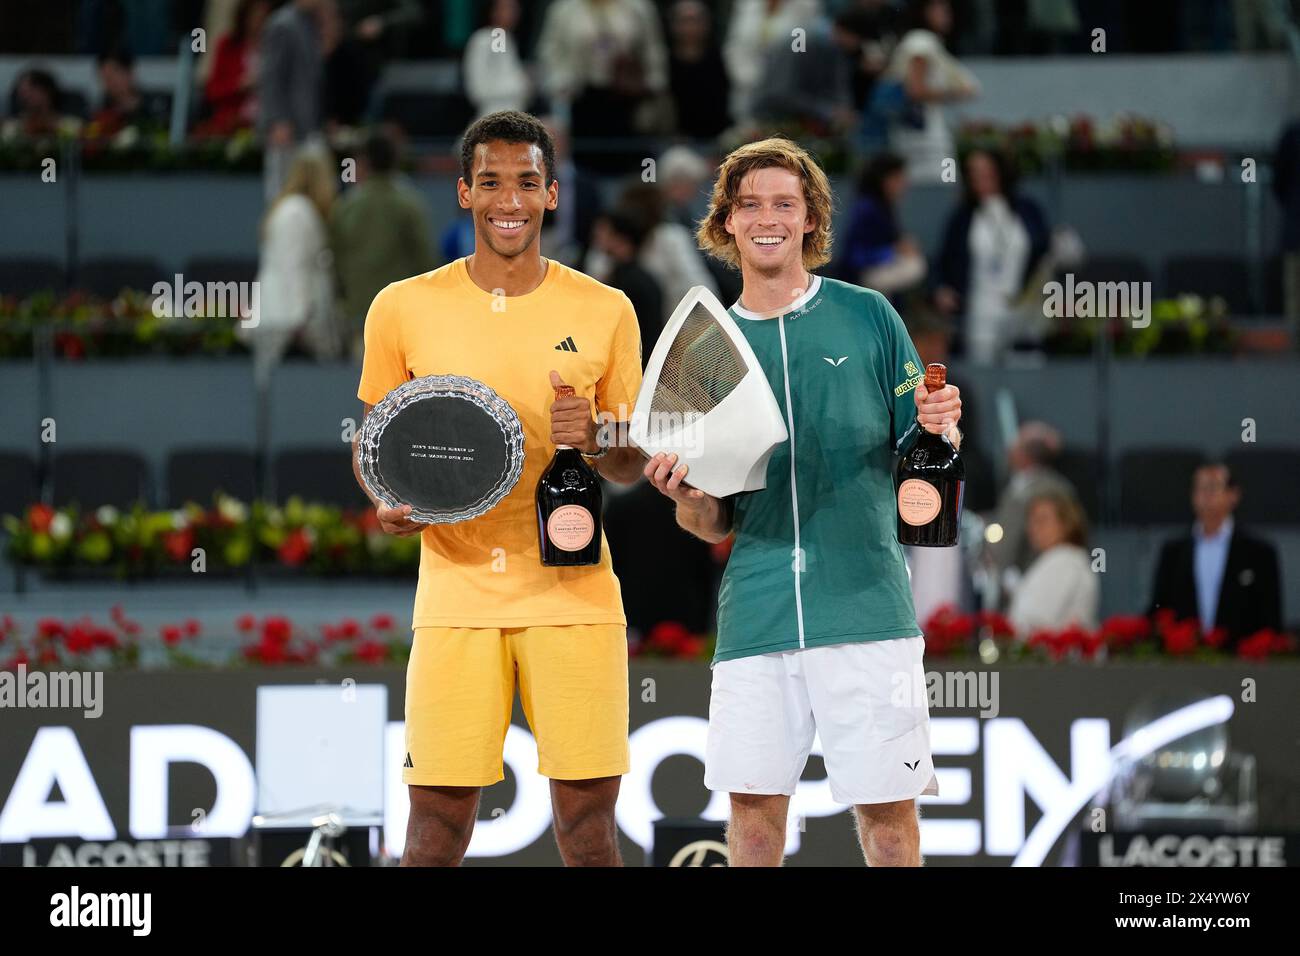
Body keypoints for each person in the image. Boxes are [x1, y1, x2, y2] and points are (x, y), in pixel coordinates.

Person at [645, 136, 964, 867]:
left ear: (810, 220)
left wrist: (944, 418)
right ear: (725, 221)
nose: (767, 218)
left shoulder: (869, 316)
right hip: (756, 613)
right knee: (754, 831)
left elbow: (927, 438)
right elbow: (708, 520)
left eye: (784, 203)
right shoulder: (703, 351)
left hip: (866, 607)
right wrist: (684, 497)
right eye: (749, 204)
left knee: (890, 827)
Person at [351, 110, 646, 866]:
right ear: (463, 193)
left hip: (573, 598)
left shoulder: (606, 310)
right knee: (435, 834)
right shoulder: (401, 306)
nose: (507, 199)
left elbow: (632, 461)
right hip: (455, 598)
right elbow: (375, 444)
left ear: (550, 195)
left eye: (525, 182)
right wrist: (384, 498)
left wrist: (596, 434)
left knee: (587, 834)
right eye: (490, 182)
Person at [933, 148, 1050, 364]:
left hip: (1021, 303)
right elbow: (944, 258)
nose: (981, 179)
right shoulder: (963, 216)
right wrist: (943, 287)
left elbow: (1044, 249)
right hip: (980, 304)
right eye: (974, 174)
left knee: (1026, 363)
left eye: (987, 172)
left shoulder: (1026, 210)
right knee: (981, 363)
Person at [1148, 461, 1283, 645]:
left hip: (1243, 664)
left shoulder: (1259, 553)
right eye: (1199, 488)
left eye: (1212, 488)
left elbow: (1271, 620)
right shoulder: (1173, 552)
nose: (1205, 496)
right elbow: (1159, 610)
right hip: (1185, 662)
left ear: (1233, 495)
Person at [330, 130, 434, 352]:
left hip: (359, 315)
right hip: (401, 319)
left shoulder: (345, 208)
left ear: (364, 162)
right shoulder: (410, 205)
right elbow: (425, 264)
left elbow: (334, 265)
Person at [243, 146, 340, 383]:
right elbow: (292, 268)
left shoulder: (294, 209)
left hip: (288, 319)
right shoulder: (295, 213)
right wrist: (299, 322)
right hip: (289, 324)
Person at [878, 0, 979, 183]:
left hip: (920, 135)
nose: (947, 15)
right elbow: (915, 90)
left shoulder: (925, 41)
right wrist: (955, 93)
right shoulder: (920, 42)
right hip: (923, 139)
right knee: (939, 188)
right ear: (926, 11)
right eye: (942, 9)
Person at [984, 420, 1077, 602]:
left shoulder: (1033, 490)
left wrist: (1002, 571)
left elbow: (1007, 542)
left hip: (1034, 580)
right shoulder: (1058, 486)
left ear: (1024, 455)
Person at [835, 150, 925, 299]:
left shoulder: (884, 206)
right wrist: (894, 251)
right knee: (915, 266)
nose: (903, 184)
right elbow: (856, 256)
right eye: (898, 179)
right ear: (885, 180)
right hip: (860, 278)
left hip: (876, 277)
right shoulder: (867, 208)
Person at [1007, 490, 1098, 636]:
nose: (1032, 528)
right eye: (1030, 520)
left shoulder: (1065, 560)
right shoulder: (1061, 558)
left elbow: (1036, 620)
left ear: (1067, 523)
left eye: (1042, 520)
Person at [259, 0, 325, 198]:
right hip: (286, 129)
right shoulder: (282, 24)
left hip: (306, 128)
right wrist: (278, 120)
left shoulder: (308, 24)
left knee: (307, 194)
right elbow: (271, 77)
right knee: (282, 194)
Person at [589, 207, 664, 366]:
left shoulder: (630, 283)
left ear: (620, 238)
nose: (597, 236)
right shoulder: (638, 277)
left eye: (603, 232)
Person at [201, 0, 271, 135]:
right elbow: (212, 91)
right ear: (244, 17)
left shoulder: (275, 47)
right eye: (256, 16)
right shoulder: (228, 46)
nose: (260, 22)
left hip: (267, 124)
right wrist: (240, 85)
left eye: (264, 16)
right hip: (232, 125)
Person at [666, 0, 731, 140]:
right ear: (673, 25)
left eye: (696, 20)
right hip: (674, 141)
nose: (690, 27)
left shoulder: (724, 60)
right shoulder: (663, 63)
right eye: (684, 21)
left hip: (719, 139)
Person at [463, 0, 531, 118]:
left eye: (515, 9)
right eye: (507, 8)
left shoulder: (507, 38)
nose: (513, 13)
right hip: (492, 118)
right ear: (493, 11)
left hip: (514, 117)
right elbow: (478, 90)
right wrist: (520, 84)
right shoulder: (483, 39)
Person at [89, 49, 170, 138]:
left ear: (130, 72)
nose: (111, 82)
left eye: (115, 73)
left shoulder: (155, 106)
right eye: (106, 77)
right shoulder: (101, 113)